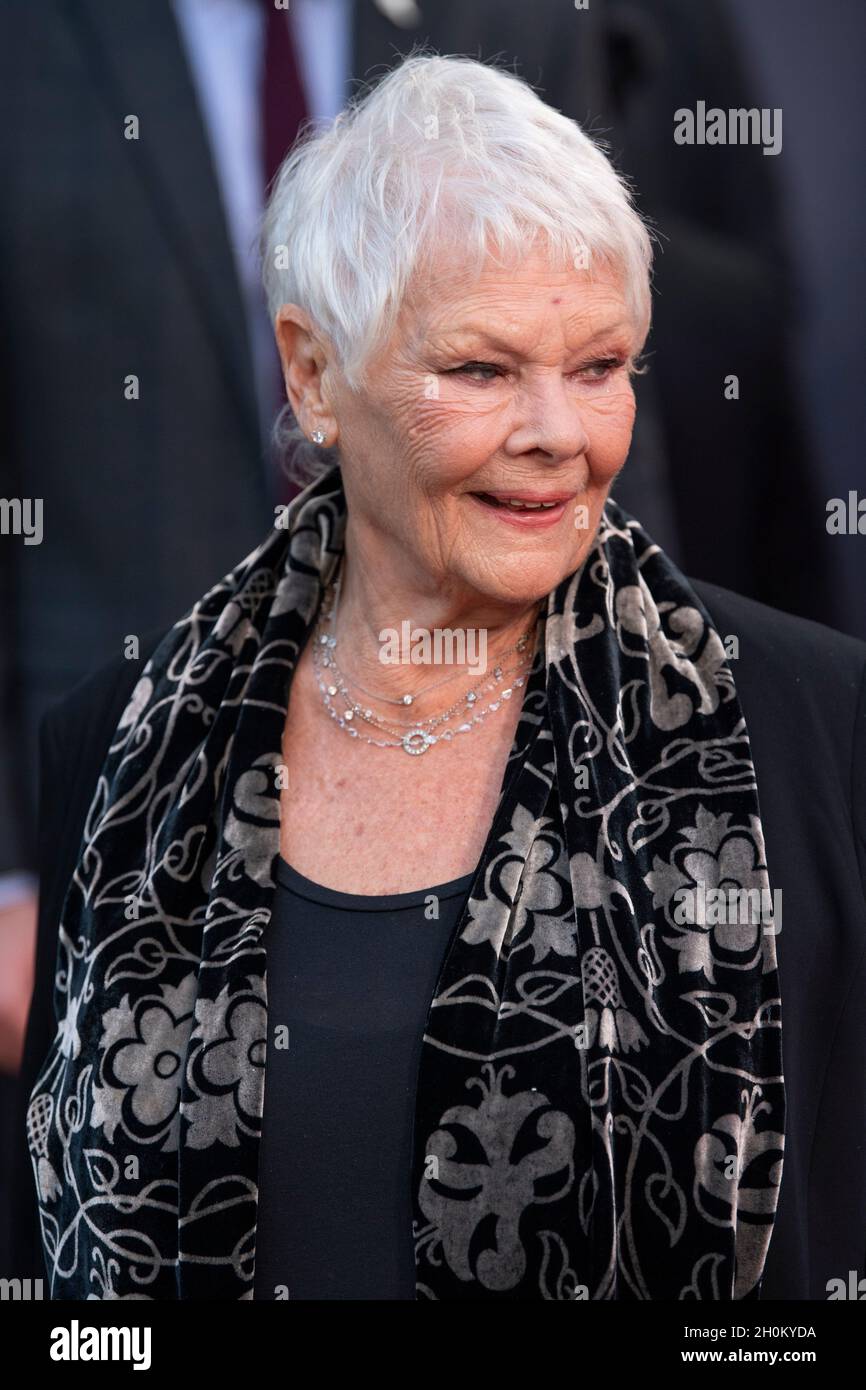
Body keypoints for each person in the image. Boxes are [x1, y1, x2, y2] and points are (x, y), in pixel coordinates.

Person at [14, 55, 866, 1301]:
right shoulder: (110, 751)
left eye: (597, 366)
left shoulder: (809, 726)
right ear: (311, 375)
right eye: (478, 371)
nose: (558, 434)